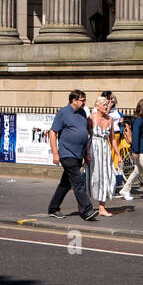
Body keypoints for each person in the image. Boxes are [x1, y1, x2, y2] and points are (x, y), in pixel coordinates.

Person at [47, 89, 98, 220]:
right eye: (82, 100)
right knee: (78, 182)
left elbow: (84, 133)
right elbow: (53, 132)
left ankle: (53, 208)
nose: (85, 102)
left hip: (79, 154)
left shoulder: (82, 113)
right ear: (74, 100)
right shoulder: (63, 113)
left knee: (65, 183)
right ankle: (87, 211)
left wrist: (86, 153)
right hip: (67, 153)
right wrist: (55, 154)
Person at [120, 98, 143, 203]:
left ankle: (125, 189)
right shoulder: (139, 121)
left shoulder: (142, 120)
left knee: (138, 170)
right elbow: (135, 136)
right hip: (140, 150)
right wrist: (135, 151)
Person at [87, 95, 119, 216]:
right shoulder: (91, 118)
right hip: (93, 150)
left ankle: (102, 208)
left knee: (106, 176)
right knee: (92, 177)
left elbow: (113, 139)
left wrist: (118, 154)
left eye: (107, 105)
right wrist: (86, 153)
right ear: (97, 106)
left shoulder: (110, 119)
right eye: (104, 105)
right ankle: (84, 205)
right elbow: (87, 137)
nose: (106, 107)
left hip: (105, 150)